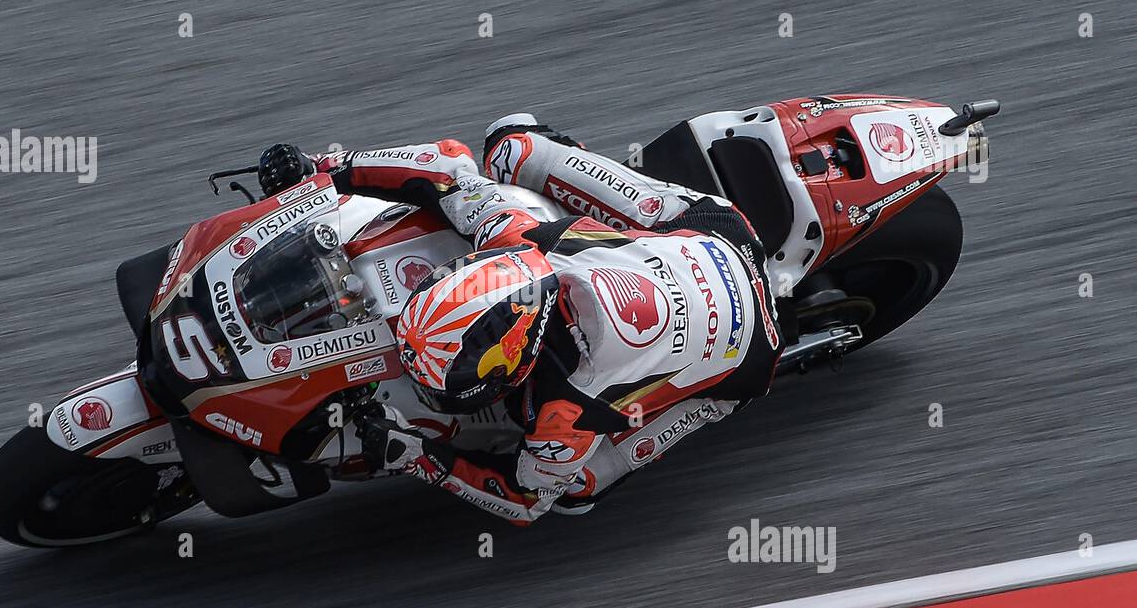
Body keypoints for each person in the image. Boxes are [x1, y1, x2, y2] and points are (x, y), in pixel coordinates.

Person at [256, 114, 782, 525]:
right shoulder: (516, 240)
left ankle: (708, 396)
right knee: (512, 144)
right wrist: (321, 168)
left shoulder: (563, 414)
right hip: (714, 235)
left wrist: (416, 455)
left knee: (573, 492)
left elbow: (525, 498)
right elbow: (444, 166)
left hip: (750, 348)